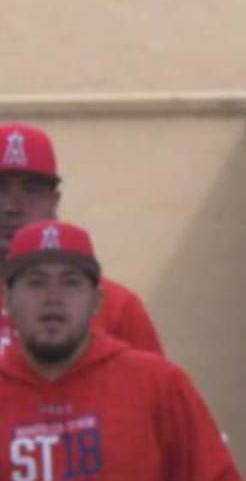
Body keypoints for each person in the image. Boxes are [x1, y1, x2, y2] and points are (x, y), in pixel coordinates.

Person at [0, 219, 246, 481]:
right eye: (36, 282)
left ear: (97, 301)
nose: (53, 298)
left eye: (71, 282)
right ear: (7, 300)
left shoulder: (160, 386)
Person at [0, 122, 162, 356]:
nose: (11, 207)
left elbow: (152, 388)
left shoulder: (115, 306)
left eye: (31, 190)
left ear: (54, 202)